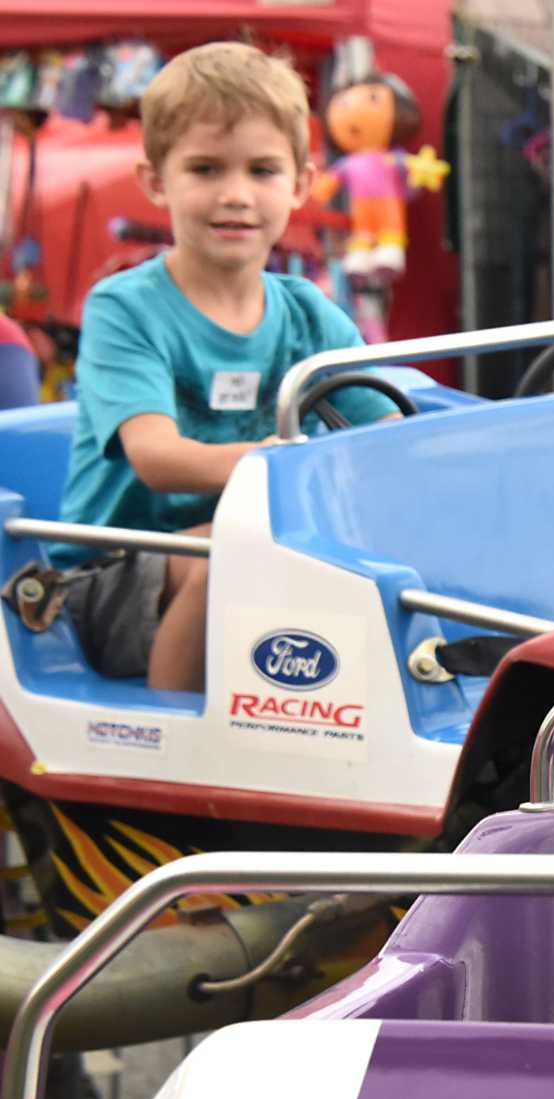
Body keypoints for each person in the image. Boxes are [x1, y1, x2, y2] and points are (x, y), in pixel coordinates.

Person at [55, 42, 388, 692]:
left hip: (255, 547)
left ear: (299, 184)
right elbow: (156, 455)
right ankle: (173, 764)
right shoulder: (126, 307)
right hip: (107, 578)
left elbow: (390, 416)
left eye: (262, 171)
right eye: (206, 169)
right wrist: (279, 462)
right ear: (155, 181)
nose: (235, 195)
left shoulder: (308, 313)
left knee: (341, 553)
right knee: (235, 551)